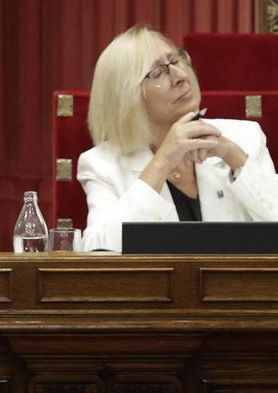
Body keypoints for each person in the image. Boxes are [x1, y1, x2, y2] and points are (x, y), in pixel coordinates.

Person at [78, 26, 278, 253]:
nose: (181, 76)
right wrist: (161, 162)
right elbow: (99, 253)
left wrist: (235, 158)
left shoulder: (245, 138)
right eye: (157, 72)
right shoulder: (102, 165)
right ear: (126, 98)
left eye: (176, 61)